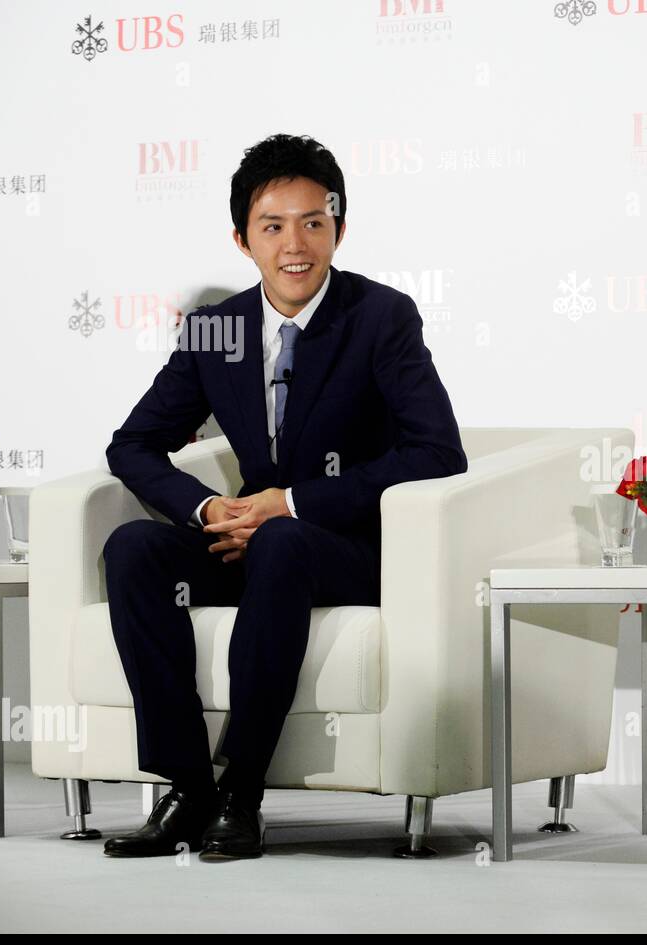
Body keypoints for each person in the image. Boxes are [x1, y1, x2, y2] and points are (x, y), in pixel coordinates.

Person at [101, 134, 467, 860]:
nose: (295, 246)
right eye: (273, 227)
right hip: (251, 540)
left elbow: (437, 451)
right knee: (134, 547)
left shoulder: (381, 318)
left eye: (314, 223)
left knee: (282, 538)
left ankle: (241, 790)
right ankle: (187, 787)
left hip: (343, 545)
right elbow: (131, 445)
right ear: (243, 239)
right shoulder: (217, 329)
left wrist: (291, 503)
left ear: (338, 228)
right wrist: (211, 510)